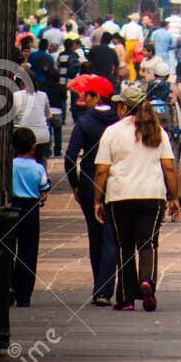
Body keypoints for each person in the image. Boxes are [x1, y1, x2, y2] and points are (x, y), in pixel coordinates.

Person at [92, 81, 181, 312]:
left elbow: (101, 170)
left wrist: (97, 200)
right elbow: (169, 167)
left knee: (125, 246)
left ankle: (126, 298)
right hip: (152, 195)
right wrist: (174, 198)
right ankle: (146, 281)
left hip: (119, 195)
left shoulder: (112, 132)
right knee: (148, 242)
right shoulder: (157, 130)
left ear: (123, 107)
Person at [64, 75, 119, 305]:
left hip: (89, 182)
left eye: (86, 95)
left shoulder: (85, 122)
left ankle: (100, 285)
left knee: (95, 235)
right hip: (116, 182)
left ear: (96, 97)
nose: (83, 99)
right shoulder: (120, 120)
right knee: (113, 234)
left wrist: (75, 184)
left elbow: (69, 157)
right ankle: (106, 287)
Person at [11, 126, 50, 306]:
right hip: (30, 209)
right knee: (28, 251)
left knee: (7, 249)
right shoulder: (37, 168)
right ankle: (24, 293)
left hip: (12, 206)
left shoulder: (9, 166)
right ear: (33, 146)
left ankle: (8, 287)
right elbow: (43, 190)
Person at [12, 74, 53, 165]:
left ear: (22, 83)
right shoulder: (43, 95)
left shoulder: (16, 95)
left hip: (24, 137)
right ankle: (42, 175)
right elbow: (48, 115)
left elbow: (12, 115)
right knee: (41, 161)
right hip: (42, 137)